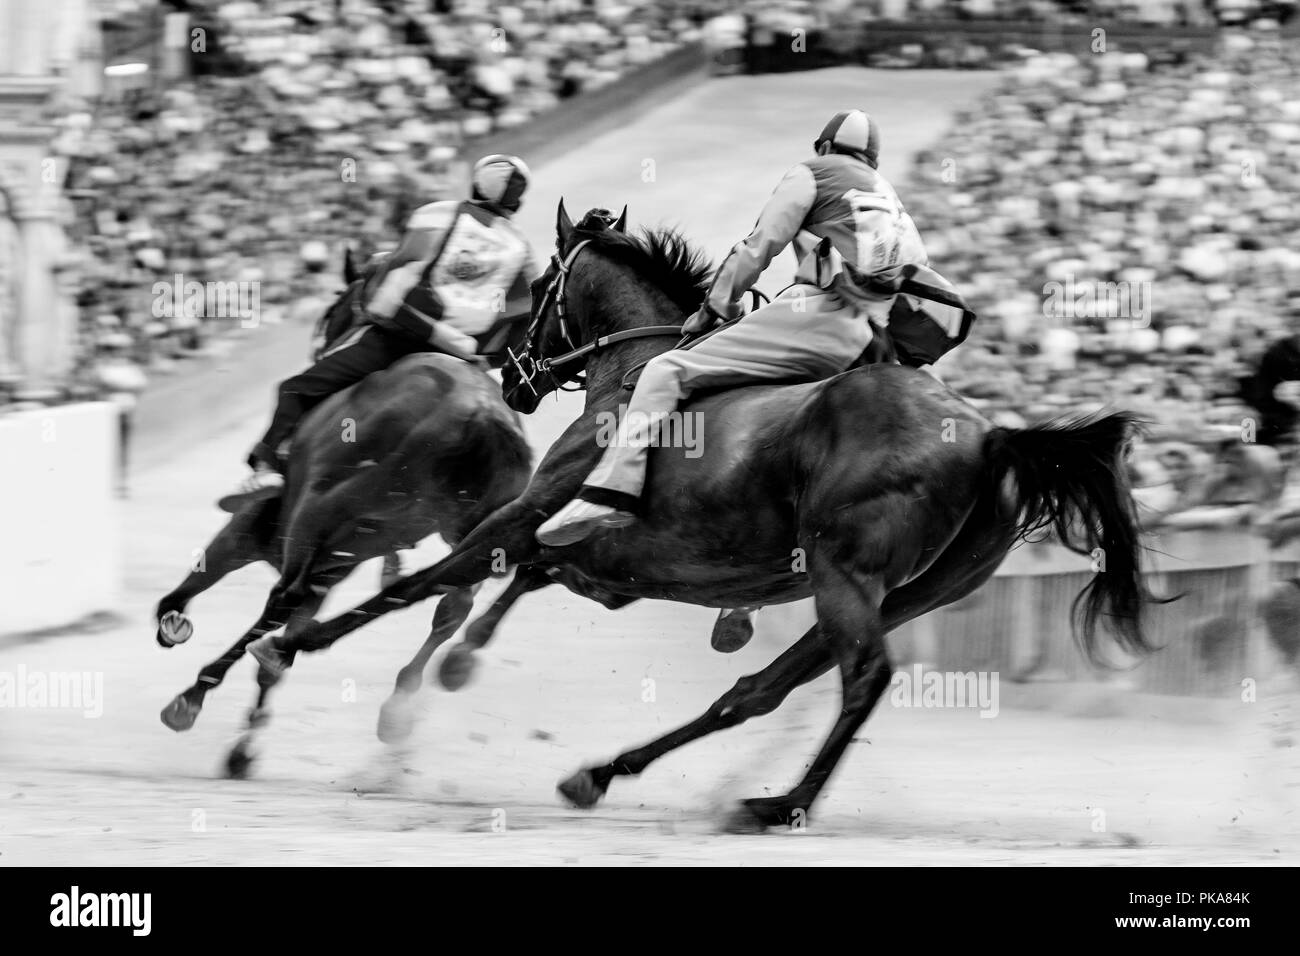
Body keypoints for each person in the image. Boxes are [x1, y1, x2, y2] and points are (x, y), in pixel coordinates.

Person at [537, 110, 930, 545]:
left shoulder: (812, 173)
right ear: (872, 160)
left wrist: (715, 307)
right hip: (877, 341)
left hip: (821, 320)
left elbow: (759, 246)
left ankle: (610, 491)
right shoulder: (890, 197)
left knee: (666, 370)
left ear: (823, 148)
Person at [218, 154, 536, 512]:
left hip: (398, 340)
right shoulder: (521, 250)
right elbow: (528, 314)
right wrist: (481, 357)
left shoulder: (437, 214)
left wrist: (389, 304)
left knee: (294, 389)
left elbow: (395, 278)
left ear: (475, 184)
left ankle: (267, 469)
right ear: (516, 202)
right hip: (464, 359)